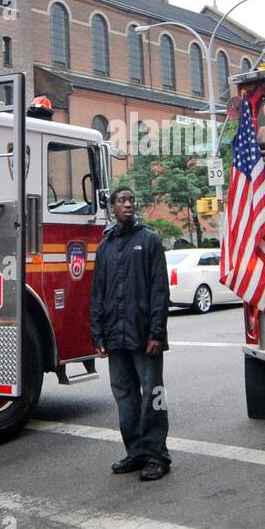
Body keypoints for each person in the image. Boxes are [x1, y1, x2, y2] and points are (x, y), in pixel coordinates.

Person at [89, 186, 172, 481]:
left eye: (131, 200)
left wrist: (156, 333)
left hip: (144, 335)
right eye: (122, 201)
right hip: (115, 335)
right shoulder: (106, 244)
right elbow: (97, 292)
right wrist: (97, 335)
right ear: (112, 207)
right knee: (125, 396)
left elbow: (160, 290)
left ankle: (156, 455)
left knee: (153, 394)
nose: (128, 204)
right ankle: (136, 452)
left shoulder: (148, 240)